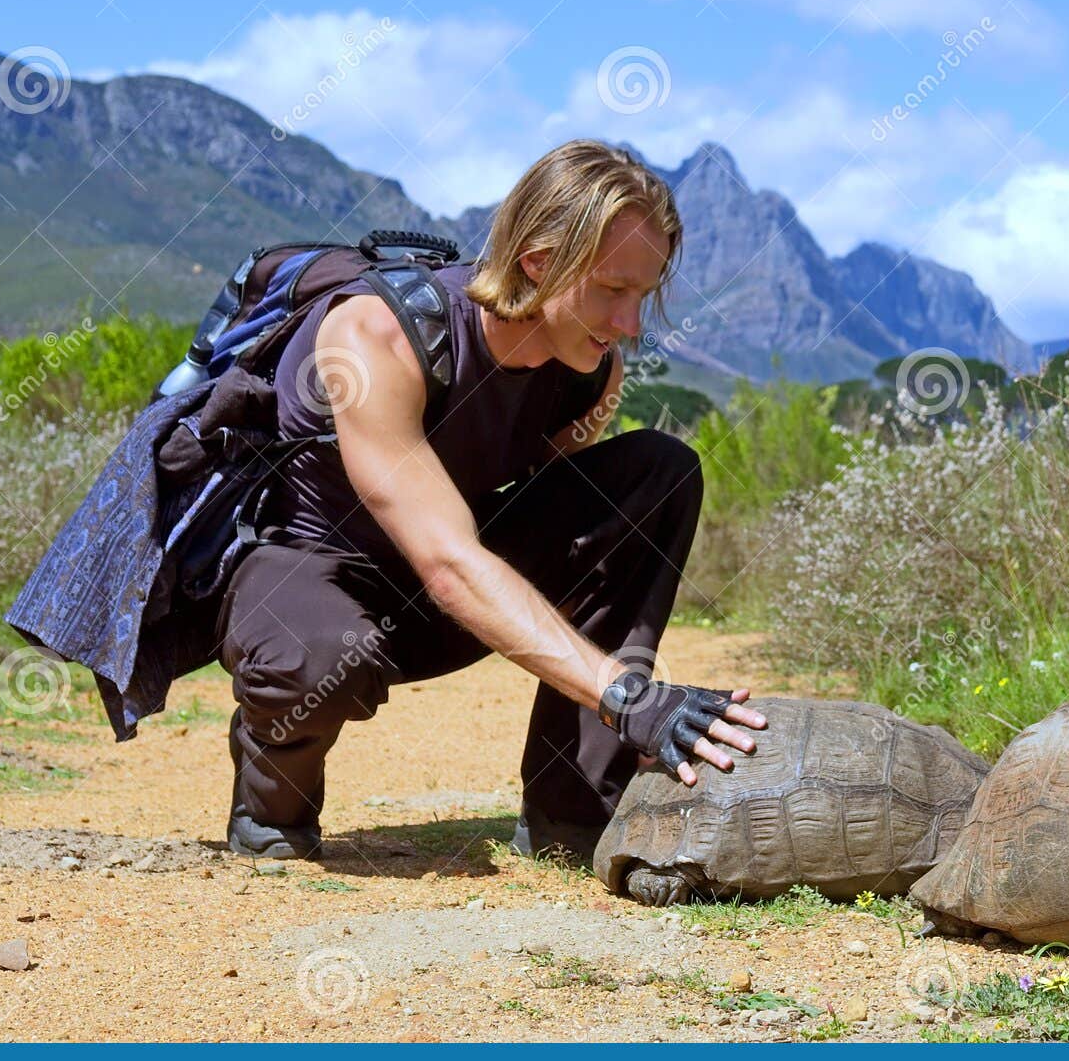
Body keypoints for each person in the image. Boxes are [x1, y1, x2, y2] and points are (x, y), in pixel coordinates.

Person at [217, 139, 766, 861]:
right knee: (322, 659)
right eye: (612, 290)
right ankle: (271, 799)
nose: (630, 324)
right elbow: (448, 561)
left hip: (438, 594)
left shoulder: (591, 372)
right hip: (311, 576)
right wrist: (626, 696)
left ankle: (574, 809)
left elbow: (567, 536)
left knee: (659, 472)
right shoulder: (375, 334)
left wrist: (617, 692)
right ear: (538, 262)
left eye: (643, 294)